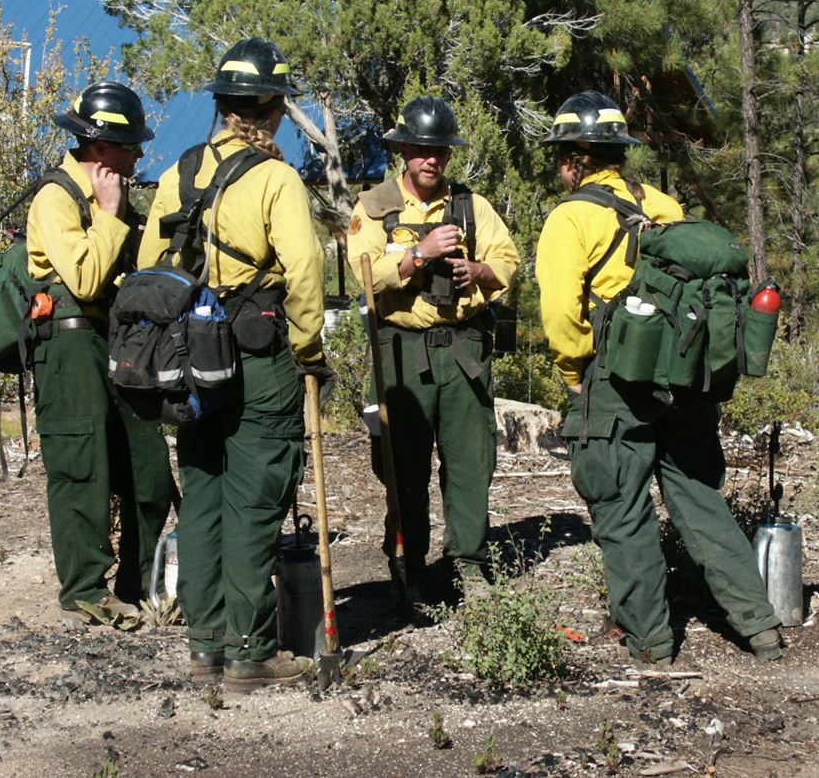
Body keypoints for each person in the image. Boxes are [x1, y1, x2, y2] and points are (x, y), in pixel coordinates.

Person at [534, 90, 783, 663]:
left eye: (560, 157)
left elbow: (560, 315)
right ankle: (758, 624)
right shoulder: (665, 206)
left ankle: (651, 641)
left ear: (573, 158)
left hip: (616, 382)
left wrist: (575, 374)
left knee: (621, 508)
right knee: (700, 498)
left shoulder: (570, 217)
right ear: (618, 152)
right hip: (686, 379)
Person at [138, 38, 328, 693]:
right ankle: (250, 650)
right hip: (255, 353)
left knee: (203, 494)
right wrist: (310, 354)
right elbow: (303, 272)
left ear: (222, 106)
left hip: (189, 358)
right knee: (254, 498)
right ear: (273, 109)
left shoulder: (176, 172)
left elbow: (149, 272)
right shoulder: (275, 178)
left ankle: (205, 644)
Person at [346, 95, 520, 601]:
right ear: (402, 149)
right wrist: (417, 257)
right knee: (403, 464)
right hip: (401, 350)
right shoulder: (374, 207)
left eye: (440, 151)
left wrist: (480, 271)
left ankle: (467, 560)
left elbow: (506, 259)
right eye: (422, 149)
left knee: (471, 460)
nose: (431, 159)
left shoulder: (471, 205)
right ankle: (408, 561)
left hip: (464, 349)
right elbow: (364, 274)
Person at [27, 81, 175, 629]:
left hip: (117, 343)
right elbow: (86, 280)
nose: (138, 153)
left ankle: (136, 584)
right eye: (130, 144)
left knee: (150, 469)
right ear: (99, 147)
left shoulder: (117, 197)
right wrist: (112, 214)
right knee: (81, 471)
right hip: (68, 347)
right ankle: (86, 592)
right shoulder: (55, 197)